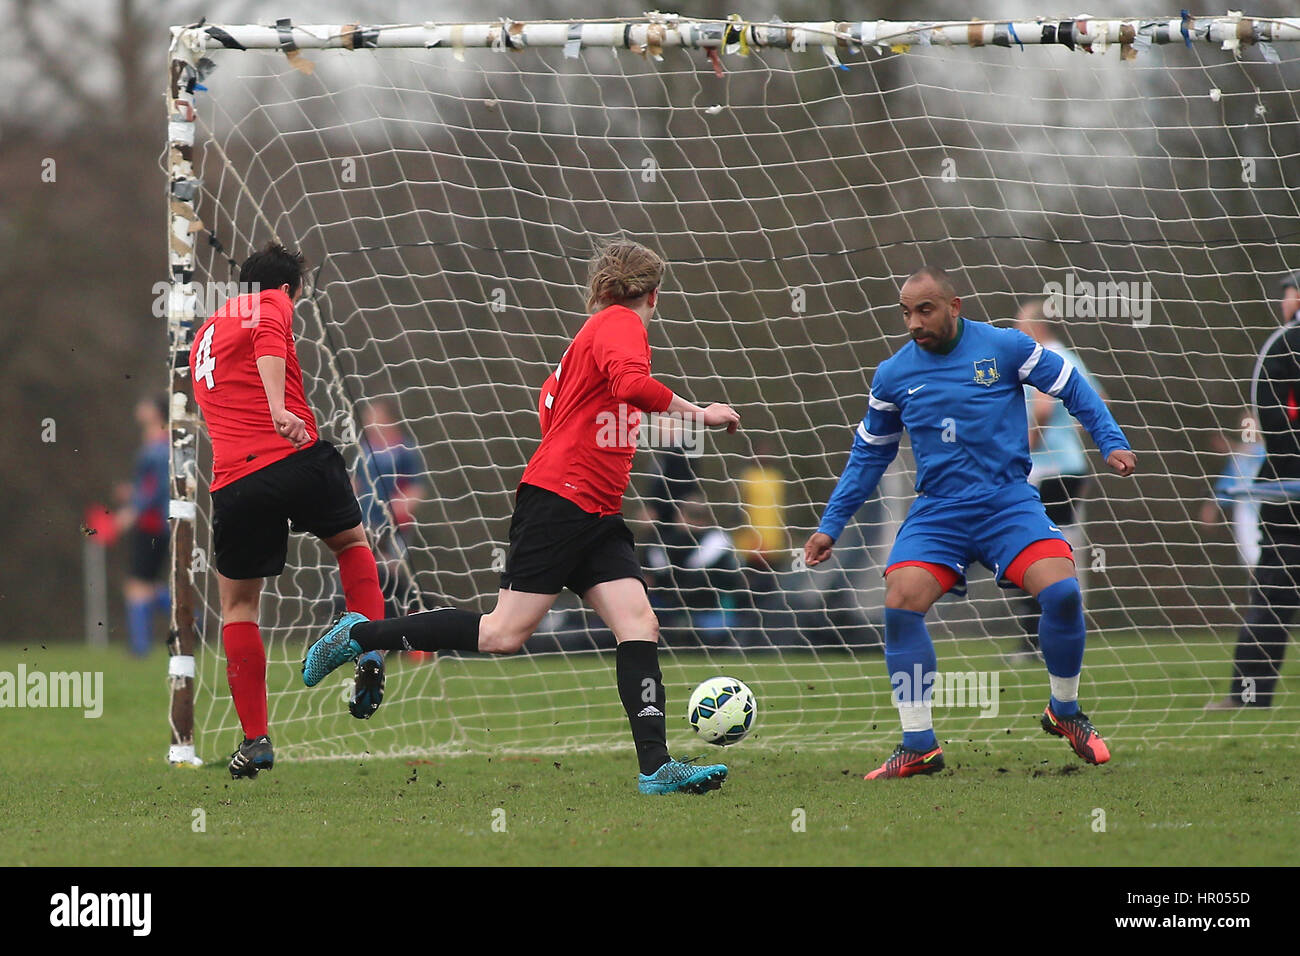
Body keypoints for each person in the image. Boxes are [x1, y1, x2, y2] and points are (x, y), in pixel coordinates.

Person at [303, 239, 742, 795]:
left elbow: (563, 412)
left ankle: (656, 766)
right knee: (502, 634)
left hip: (595, 510)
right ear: (651, 293)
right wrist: (699, 413)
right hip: (562, 503)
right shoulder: (621, 323)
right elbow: (632, 386)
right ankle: (358, 633)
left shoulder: (585, 343)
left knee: (639, 624)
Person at [803, 267, 1136, 779]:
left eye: (925, 310)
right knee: (899, 600)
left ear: (954, 305)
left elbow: (1073, 387)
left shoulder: (1003, 347)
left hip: (1008, 503)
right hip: (940, 511)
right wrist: (831, 525)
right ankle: (918, 744)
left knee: (1064, 594)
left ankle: (1064, 711)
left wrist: (1110, 441)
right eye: (906, 312)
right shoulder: (893, 374)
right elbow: (867, 456)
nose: (914, 322)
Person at [190, 242, 389, 779]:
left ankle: (256, 739)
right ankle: (370, 649)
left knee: (238, 609)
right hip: (294, 455)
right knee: (350, 544)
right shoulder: (272, 301)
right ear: (288, 288)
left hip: (235, 480)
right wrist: (279, 410)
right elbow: (269, 343)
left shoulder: (204, 335)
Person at [1207, 271, 1300, 711]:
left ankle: (1248, 697)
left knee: (1270, 600)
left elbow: (1270, 416)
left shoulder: (1281, 345)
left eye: (1289, 296)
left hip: (1288, 495)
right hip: (1286, 491)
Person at [1008, 300, 1105, 657]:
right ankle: (1061, 631)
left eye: (1021, 326)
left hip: (1048, 470)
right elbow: (1097, 400)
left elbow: (1044, 409)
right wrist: (1074, 432)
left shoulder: (1043, 358)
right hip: (1072, 468)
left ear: (1037, 328)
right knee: (1064, 550)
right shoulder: (1070, 357)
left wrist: (1022, 448)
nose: (1018, 333)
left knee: (1034, 552)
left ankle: (1035, 641)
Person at [112, 395, 172, 656]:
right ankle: (190, 616)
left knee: (138, 586)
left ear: (157, 412)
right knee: (142, 585)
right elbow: (149, 484)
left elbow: (158, 487)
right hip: (152, 521)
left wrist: (134, 510)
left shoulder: (160, 444)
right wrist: (133, 493)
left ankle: (140, 648)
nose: (140, 407)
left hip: (152, 522)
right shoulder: (153, 442)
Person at [1199, 429, 1265, 569]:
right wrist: (1212, 506)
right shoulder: (1239, 459)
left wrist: (1232, 447)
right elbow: (1229, 483)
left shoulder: (1272, 451)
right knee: (1252, 561)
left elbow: (1258, 452)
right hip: (1247, 515)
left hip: (1268, 511)